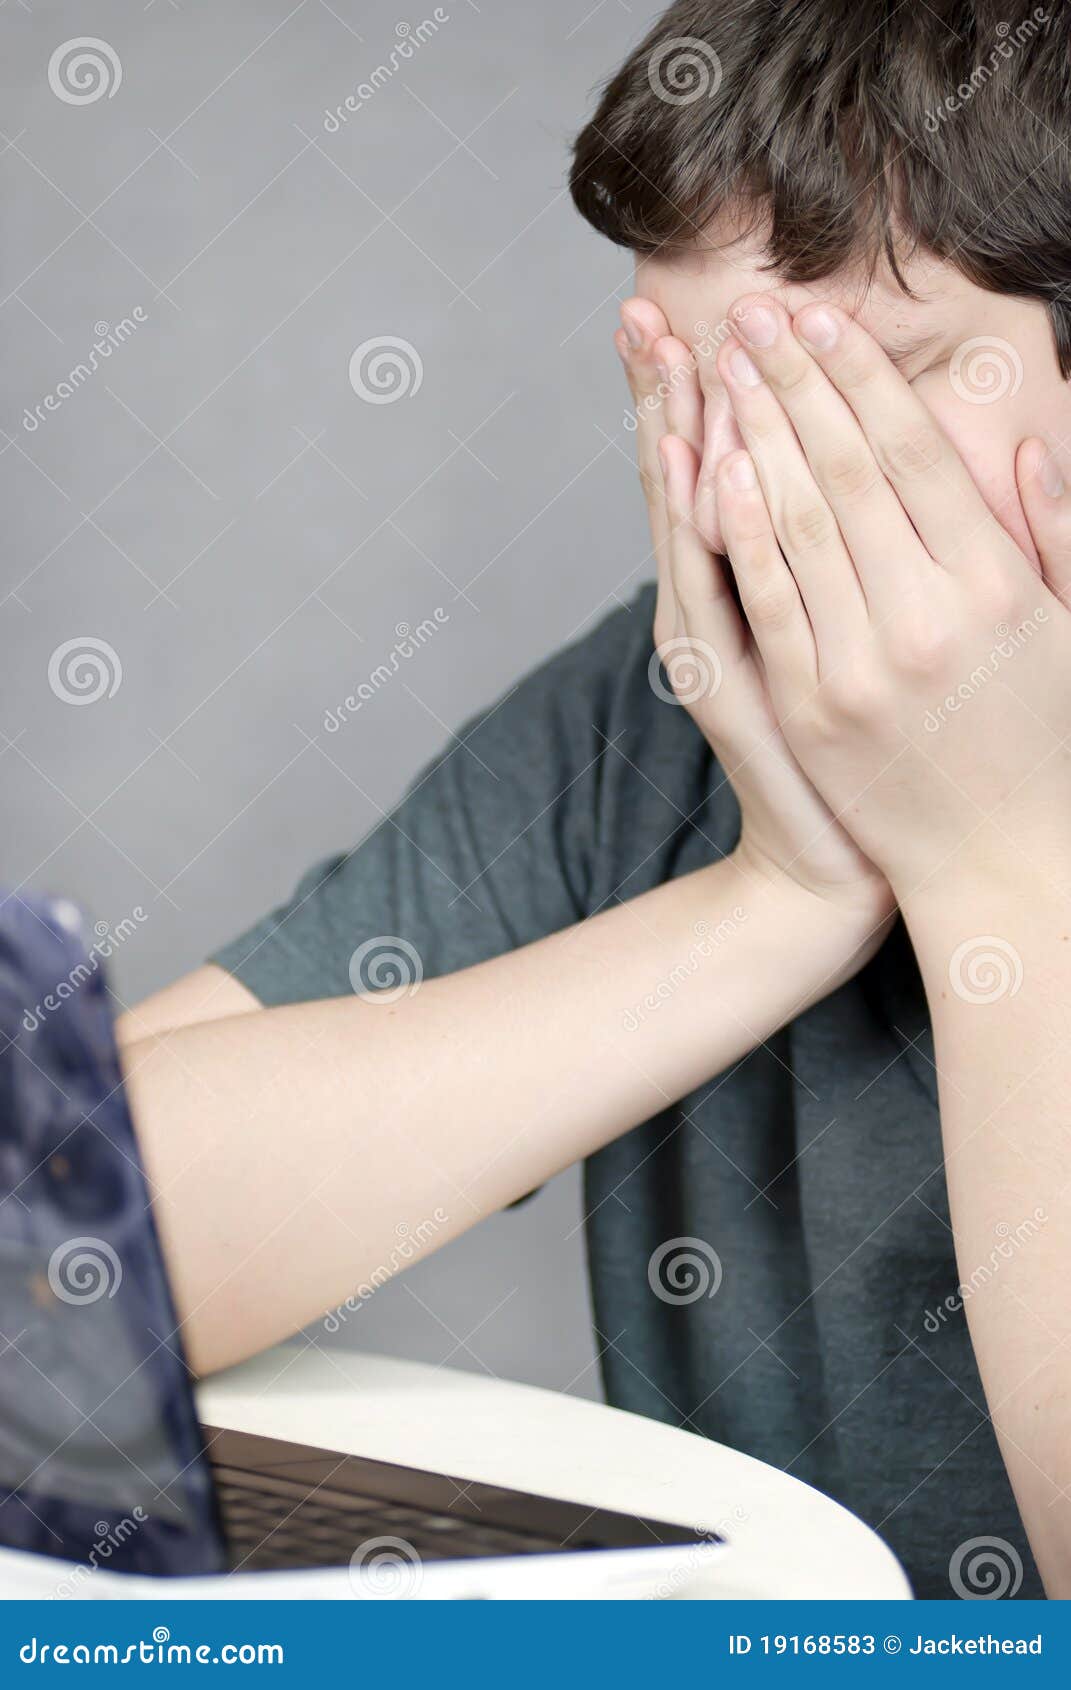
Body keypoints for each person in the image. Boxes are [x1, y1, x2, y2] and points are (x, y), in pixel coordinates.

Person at [116, 1, 1071, 1599]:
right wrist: (775, 897)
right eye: (695, 398)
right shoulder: (662, 715)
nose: (750, 497)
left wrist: (1004, 875)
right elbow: (43, 1280)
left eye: (857, 394)